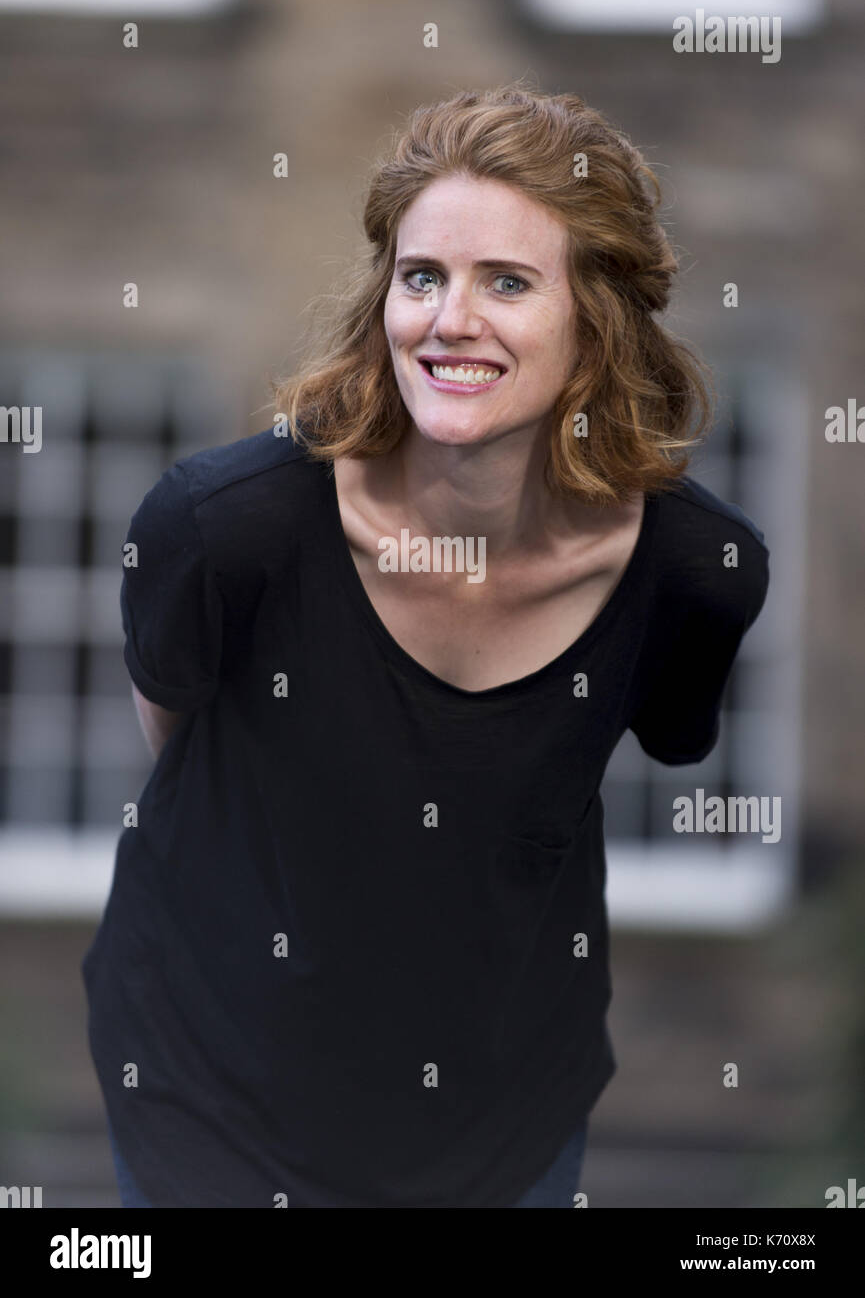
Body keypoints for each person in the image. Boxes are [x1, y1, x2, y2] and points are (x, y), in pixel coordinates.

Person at [82, 84, 769, 1208]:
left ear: (597, 317)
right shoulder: (223, 528)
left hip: (505, 1115)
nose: (449, 319)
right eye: (421, 276)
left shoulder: (695, 571)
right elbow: (177, 743)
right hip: (209, 1085)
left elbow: (669, 737)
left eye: (506, 280)